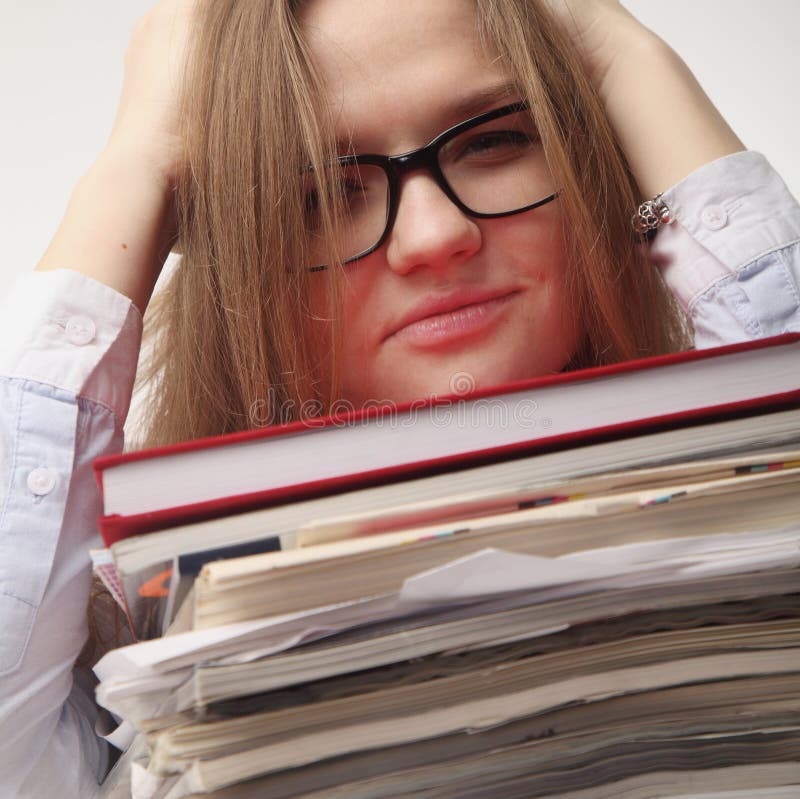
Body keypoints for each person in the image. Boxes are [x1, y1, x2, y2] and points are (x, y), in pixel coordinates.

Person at [1, 0, 798, 796]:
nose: (433, 236)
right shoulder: (124, 661)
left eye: (494, 138)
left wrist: (618, 50)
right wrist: (138, 161)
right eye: (319, 192)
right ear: (242, 265)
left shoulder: (740, 540)